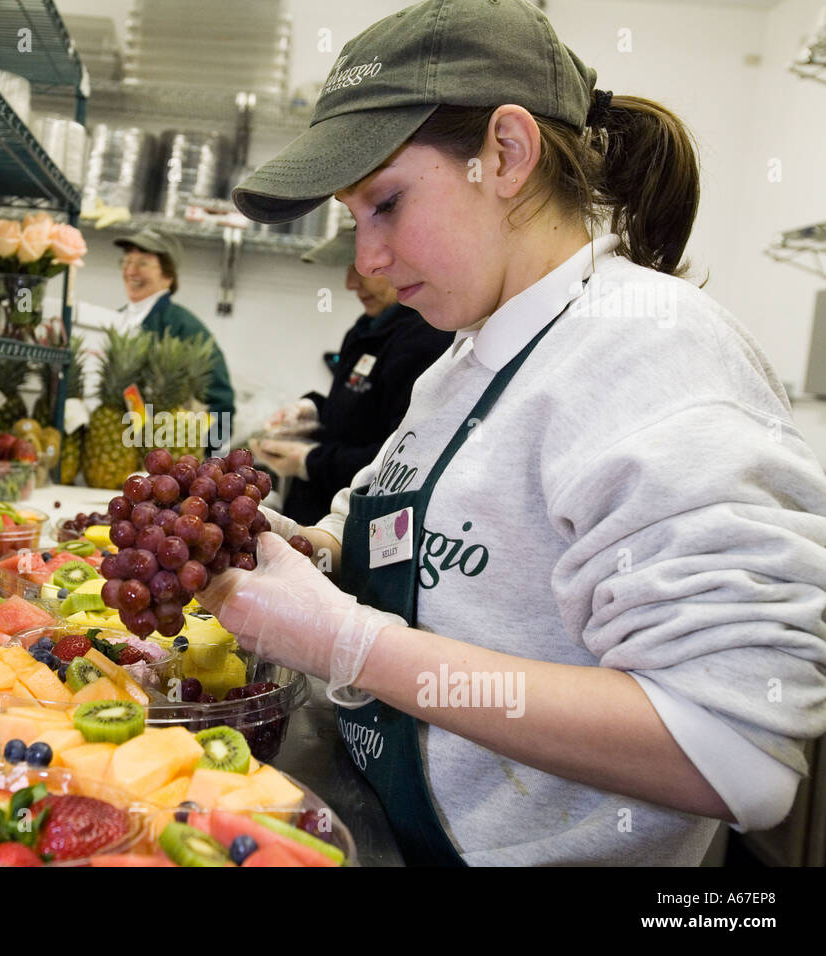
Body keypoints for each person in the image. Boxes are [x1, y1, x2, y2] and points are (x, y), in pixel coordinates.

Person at [198, 0, 826, 866]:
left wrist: (352, 645)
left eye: (386, 203)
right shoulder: (467, 361)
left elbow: (733, 757)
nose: (367, 259)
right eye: (355, 219)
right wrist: (299, 548)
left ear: (507, 152)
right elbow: (403, 534)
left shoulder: (654, 351)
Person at [254, 229, 453, 526]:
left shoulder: (427, 340)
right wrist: (311, 409)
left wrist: (309, 461)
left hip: (357, 524)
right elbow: (355, 411)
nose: (350, 283)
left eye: (360, 267)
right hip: (315, 511)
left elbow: (400, 456)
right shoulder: (365, 329)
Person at [113, 228, 235, 446]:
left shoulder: (184, 326)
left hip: (165, 453)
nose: (131, 271)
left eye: (142, 263)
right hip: (114, 442)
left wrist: (202, 456)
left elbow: (221, 404)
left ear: (168, 275)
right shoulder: (115, 320)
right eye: (127, 262)